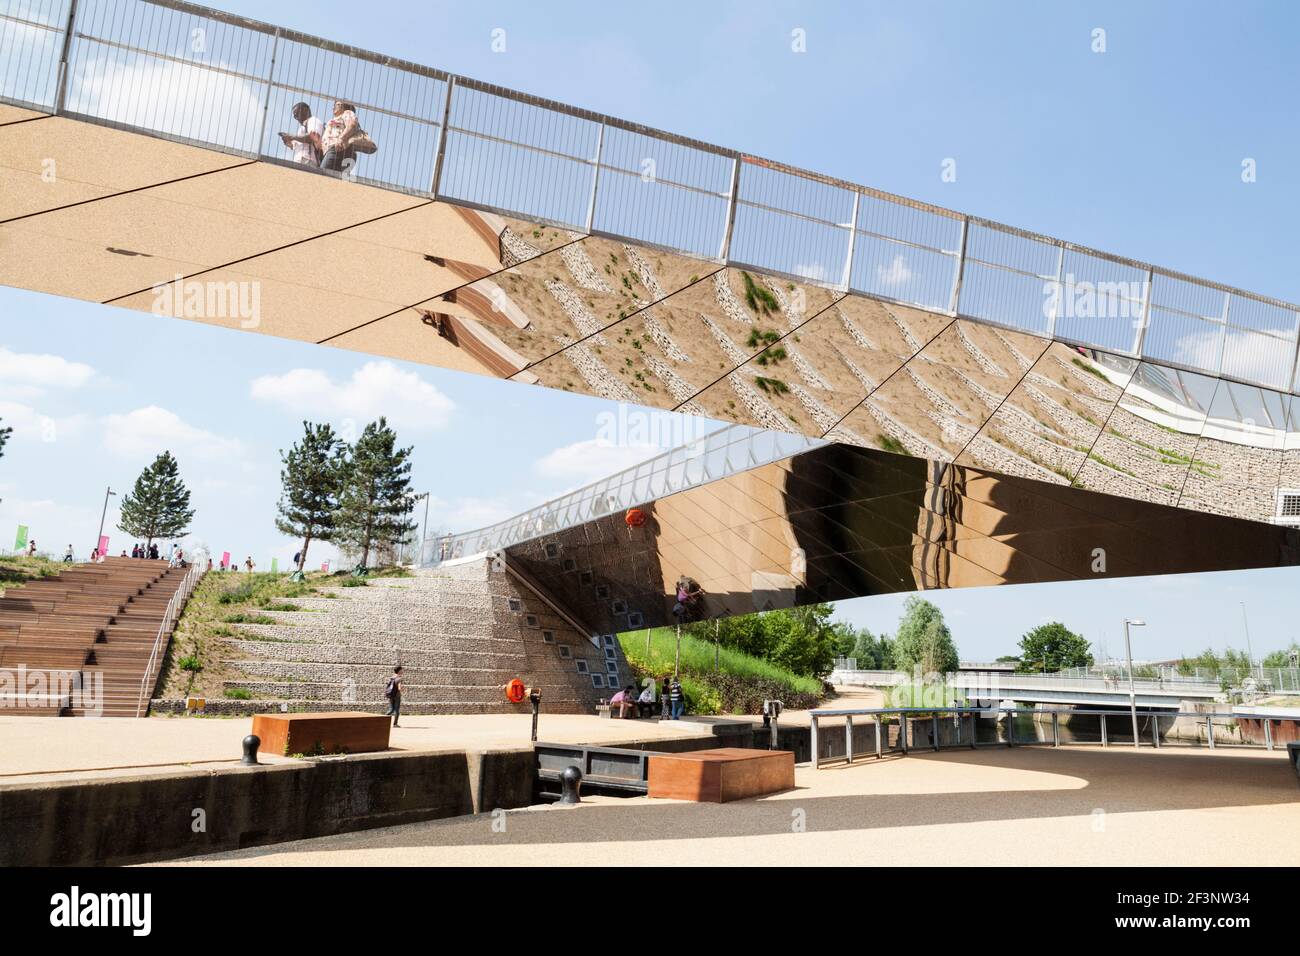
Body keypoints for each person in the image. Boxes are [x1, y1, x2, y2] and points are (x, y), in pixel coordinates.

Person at [279, 101, 324, 167]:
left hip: (307, 160)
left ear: (305, 110)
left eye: (297, 114)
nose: (296, 118)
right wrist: (290, 143)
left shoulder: (313, 120)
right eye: (294, 116)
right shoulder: (303, 127)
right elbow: (300, 144)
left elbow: (313, 137)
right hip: (303, 160)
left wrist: (292, 137)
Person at [319, 100, 359, 172]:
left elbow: (352, 125)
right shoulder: (336, 119)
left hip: (338, 149)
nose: (333, 107)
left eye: (336, 105)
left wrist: (341, 138)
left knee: (322, 175)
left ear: (344, 106)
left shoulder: (347, 113)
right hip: (334, 150)